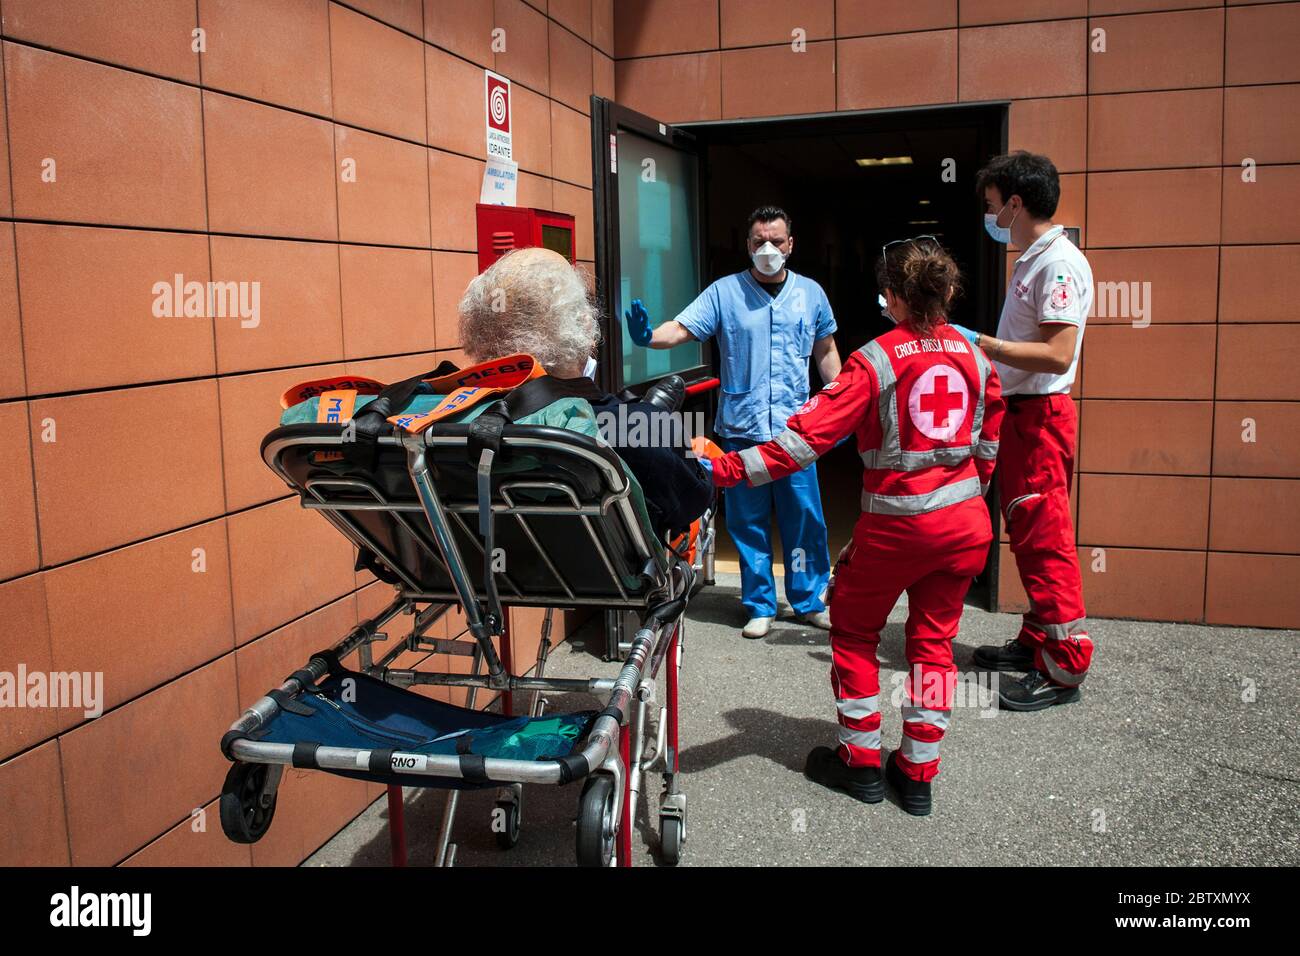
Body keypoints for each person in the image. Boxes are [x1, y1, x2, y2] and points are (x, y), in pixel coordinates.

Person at [702, 238, 1003, 816]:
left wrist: (725, 468)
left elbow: (803, 442)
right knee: (933, 647)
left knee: (856, 636)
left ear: (891, 296)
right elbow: (989, 445)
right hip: (964, 528)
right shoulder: (976, 356)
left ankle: (861, 762)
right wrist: (967, 502)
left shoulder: (876, 360)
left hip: (896, 530)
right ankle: (917, 773)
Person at [624, 206, 842, 638]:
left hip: (796, 432)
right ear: (747, 244)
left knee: (804, 519)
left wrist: (842, 398)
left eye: (776, 241)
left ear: (791, 245)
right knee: (747, 522)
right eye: (759, 241)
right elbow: (682, 329)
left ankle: (808, 599)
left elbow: (826, 351)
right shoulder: (725, 293)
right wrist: (648, 337)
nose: (767, 249)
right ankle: (759, 603)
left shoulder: (811, 294)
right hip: (742, 433)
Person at [948, 151, 1094, 711]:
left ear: (1015, 202)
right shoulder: (1033, 259)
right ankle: (1037, 641)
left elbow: (1058, 354)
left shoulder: (1057, 264)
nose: (990, 216)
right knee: (1027, 531)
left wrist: (984, 343)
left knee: (1044, 536)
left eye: (992, 205)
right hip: (1022, 415)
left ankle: (1064, 666)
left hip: (1040, 417)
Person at [459, 247, 713, 541]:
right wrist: (655, 420)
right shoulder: (629, 428)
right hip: (603, 582)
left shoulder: (448, 428)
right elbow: (694, 498)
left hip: (475, 575)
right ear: (584, 325)